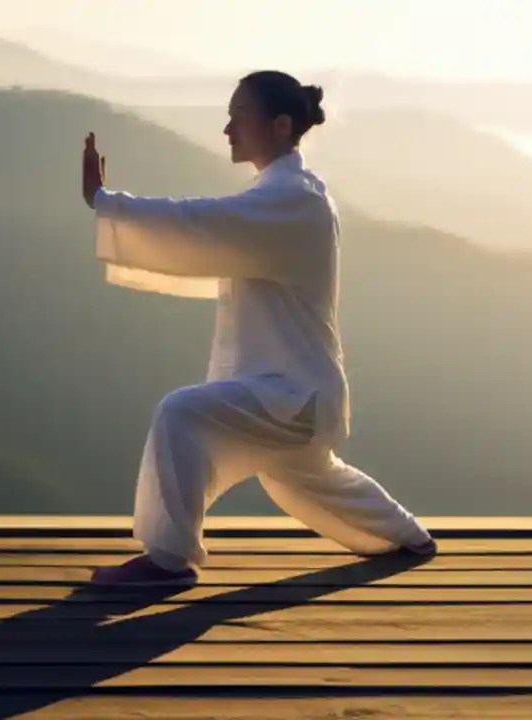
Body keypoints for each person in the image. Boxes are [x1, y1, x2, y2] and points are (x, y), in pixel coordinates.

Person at [81, 70, 435, 586]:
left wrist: (106, 203)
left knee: (181, 413)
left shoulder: (293, 199)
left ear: (280, 124)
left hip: (292, 396)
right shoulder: (287, 194)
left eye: (239, 116)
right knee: (305, 476)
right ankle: (411, 537)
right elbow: (217, 231)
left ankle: (167, 561)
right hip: (297, 394)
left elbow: (201, 223)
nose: (227, 129)